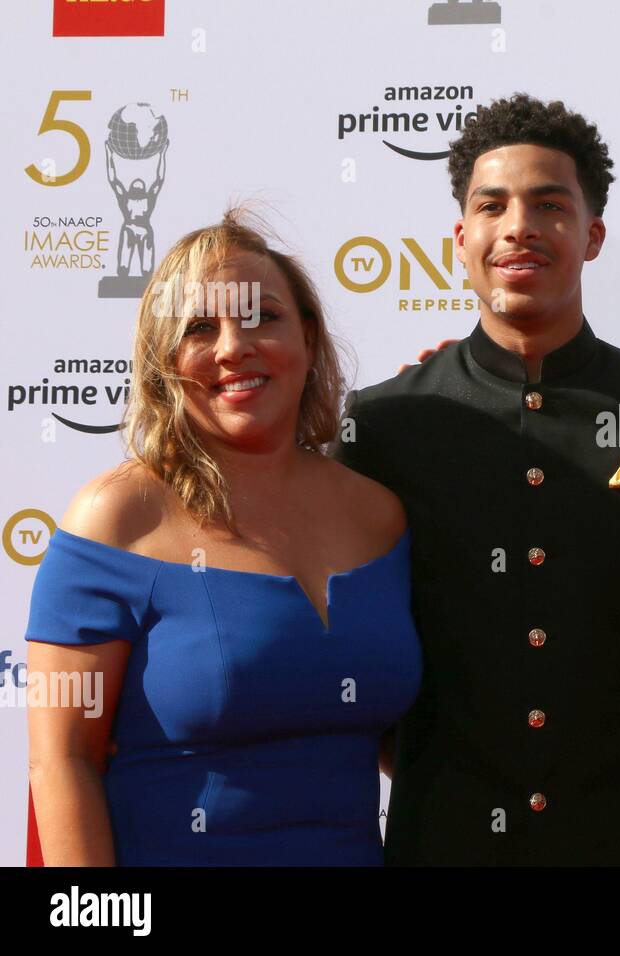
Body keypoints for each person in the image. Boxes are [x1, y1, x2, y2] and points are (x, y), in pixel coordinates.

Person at [330, 93, 620, 866]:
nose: (519, 226)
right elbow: (342, 655)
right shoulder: (383, 428)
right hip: (443, 841)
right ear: (461, 238)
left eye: (550, 204)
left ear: (593, 235)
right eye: (493, 206)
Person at [25, 210, 420, 866]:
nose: (234, 347)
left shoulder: (377, 516)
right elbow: (61, 762)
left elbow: (407, 744)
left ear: (310, 337)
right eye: (200, 328)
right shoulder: (117, 518)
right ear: (165, 358)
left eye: (262, 316)